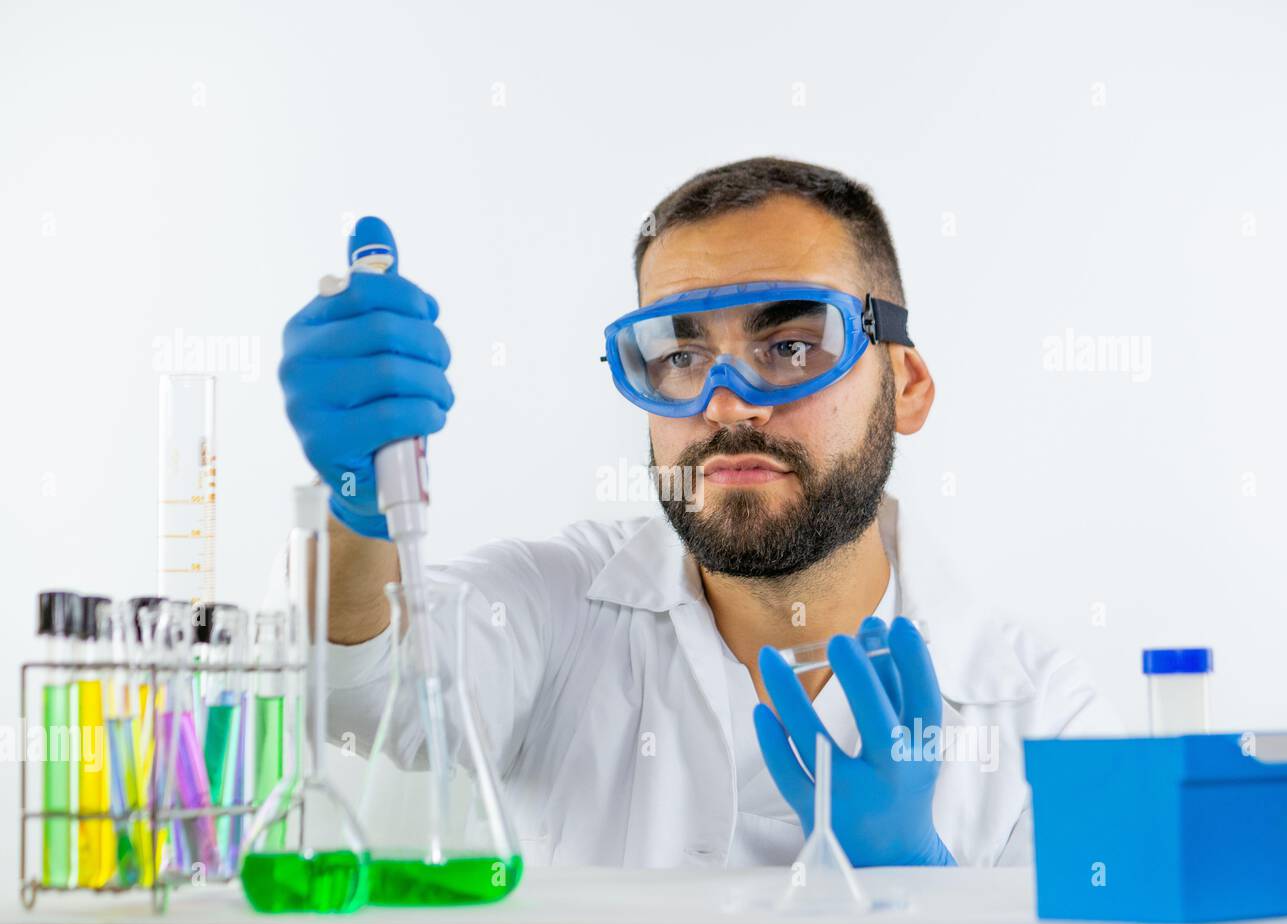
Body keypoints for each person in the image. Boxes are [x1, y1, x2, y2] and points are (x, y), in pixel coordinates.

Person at [279, 157, 1120, 870]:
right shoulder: (557, 612)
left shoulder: (1047, 719)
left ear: (905, 384)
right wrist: (359, 498)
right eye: (680, 356)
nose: (727, 405)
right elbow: (360, 690)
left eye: (791, 346)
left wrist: (922, 905)